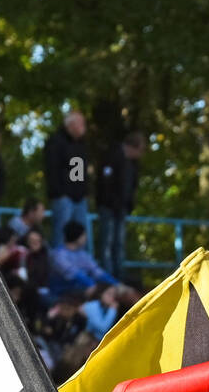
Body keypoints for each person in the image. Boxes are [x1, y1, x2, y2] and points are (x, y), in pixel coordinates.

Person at [95, 130, 143, 278]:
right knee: (108, 243)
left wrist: (128, 204)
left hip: (121, 208)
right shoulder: (112, 156)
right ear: (134, 147)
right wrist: (110, 202)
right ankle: (108, 276)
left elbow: (131, 186)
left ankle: (119, 275)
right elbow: (104, 182)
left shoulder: (132, 164)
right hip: (109, 207)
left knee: (119, 243)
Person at [44, 110, 90, 249]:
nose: (83, 127)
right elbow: (52, 169)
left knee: (81, 236)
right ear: (70, 125)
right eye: (80, 123)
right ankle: (59, 267)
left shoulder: (81, 145)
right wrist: (59, 193)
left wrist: (83, 191)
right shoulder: (56, 142)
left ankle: (78, 268)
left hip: (79, 198)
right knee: (61, 234)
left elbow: (82, 170)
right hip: (63, 198)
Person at [50, 219, 116, 292]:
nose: (86, 238)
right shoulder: (59, 254)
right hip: (61, 293)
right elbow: (74, 274)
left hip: (80, 291)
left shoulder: (82, 254)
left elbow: (97, 271)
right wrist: (93, 286)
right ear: (77, 236)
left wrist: (117, 285)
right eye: (84, 235)